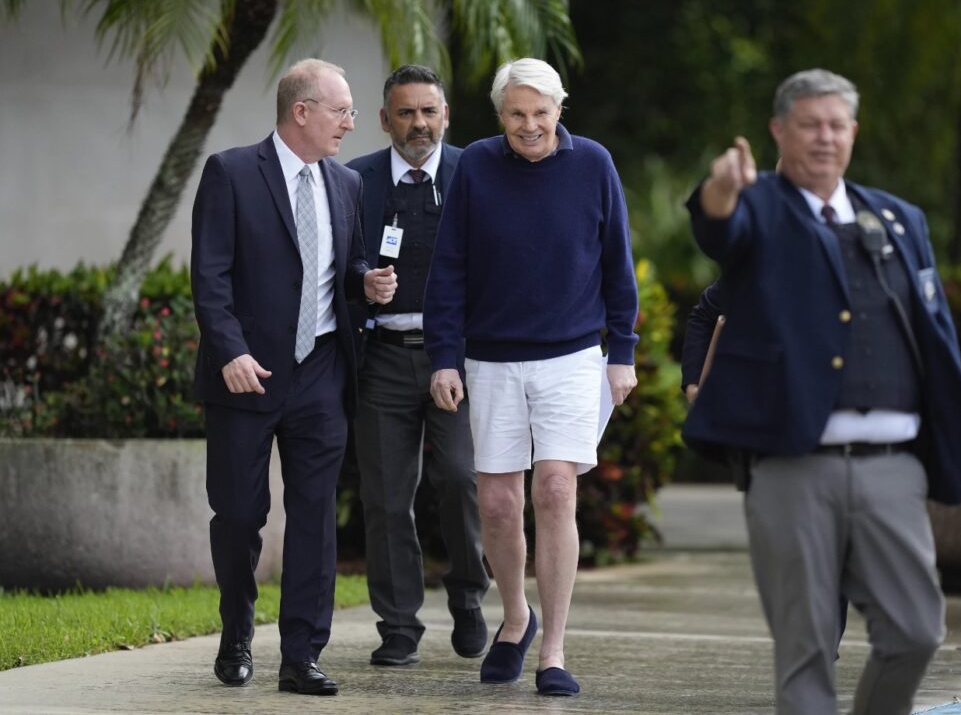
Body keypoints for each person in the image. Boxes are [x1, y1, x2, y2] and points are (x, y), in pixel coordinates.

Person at [684, 68, 961, 714]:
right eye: (810, 124)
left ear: (853, 132)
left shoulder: (898, 217)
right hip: (793, 468)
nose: (825, 137)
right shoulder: (760, 206)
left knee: (916, 632)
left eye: (836, 125)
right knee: (807, 652)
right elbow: (720, 228)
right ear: (780, 131)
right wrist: (720, 191)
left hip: (894, 470)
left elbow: (936, 340)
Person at [423, 57, 639, 697]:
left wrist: (621, 352)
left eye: (541, 113)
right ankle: (516, 616)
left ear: (559, 110)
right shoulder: (478, 167)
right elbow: (450, 265)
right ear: (500, 115)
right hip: (490, 358)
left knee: (554, 490)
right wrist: (443, 354)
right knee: (496, 501)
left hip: (573, 356)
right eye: (516, 114)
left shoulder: (594, 164)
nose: (529, 125)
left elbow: (617, 265)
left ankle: (553, 650)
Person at [190, 58, 397, 696]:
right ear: (300, 111)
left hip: (322, 374)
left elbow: (347, 261)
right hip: (245, 375)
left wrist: (365, 281)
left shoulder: (347, 183)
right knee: (238, 515)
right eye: (340, 110)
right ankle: (236, 633)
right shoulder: (230, 172)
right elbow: (210, 275)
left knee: (314, 517)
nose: (351, 122)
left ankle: (302, 654)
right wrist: (228, 351)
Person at [345, 64, 489, 667]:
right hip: (382, 356)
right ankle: (399, 625)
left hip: (453, 358)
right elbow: (338, 262)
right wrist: (362, 282)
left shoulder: (475, 174)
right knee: (384, 498)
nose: (418, 124)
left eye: (429, 111)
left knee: (458, 478)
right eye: (405, 112)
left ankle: (468, 595)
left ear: (446, 115)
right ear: (385, 120)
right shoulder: (355, 180)